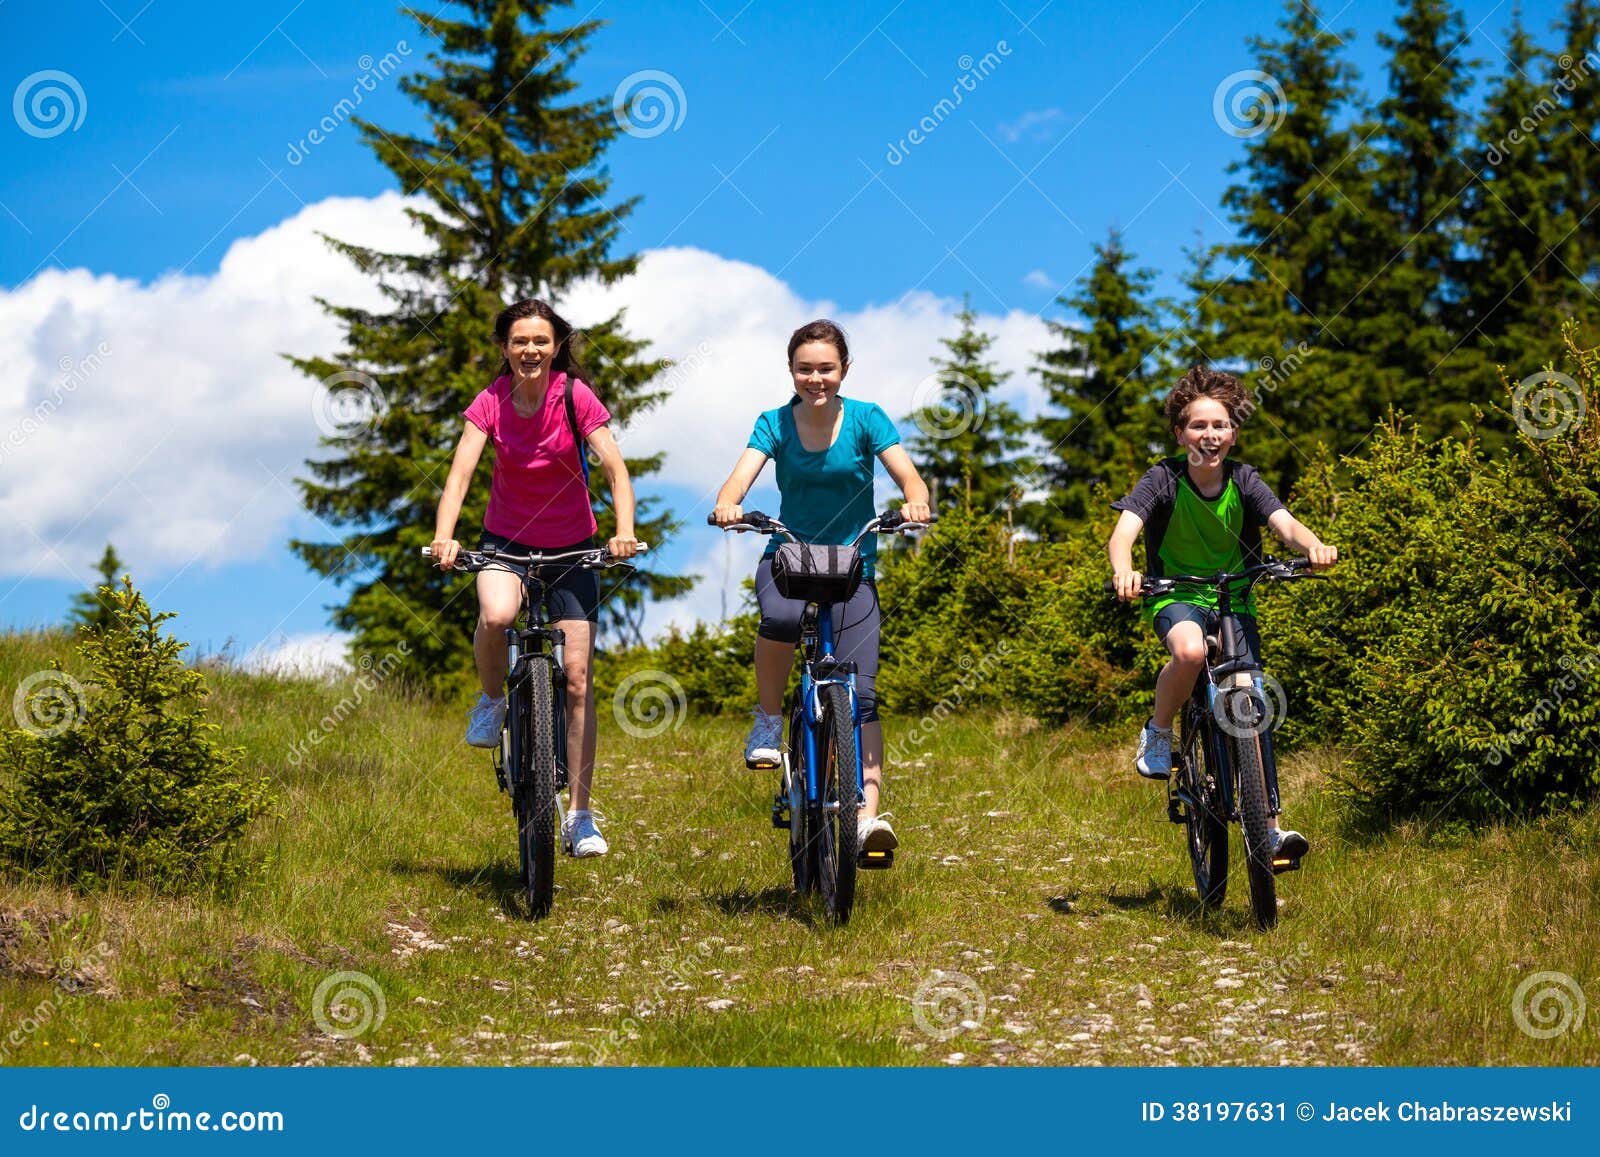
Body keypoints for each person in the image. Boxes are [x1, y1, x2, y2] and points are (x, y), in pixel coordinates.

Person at [711, 319, 932, 857]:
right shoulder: (773, 423)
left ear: (844, 370)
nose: (816, 379)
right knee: (783, 620)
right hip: (789, 557)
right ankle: (767, 723)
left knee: (866, 698)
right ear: (791, 371)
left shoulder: (866, 419)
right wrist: (730, 503)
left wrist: (915, 500)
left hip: (852, 565)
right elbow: (737, 480)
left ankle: (864, 820)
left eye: (826, 368)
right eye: (805, 369)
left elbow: (909, 477)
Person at [430, 299, 641, 858]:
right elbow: (460, 475)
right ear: (505, 347)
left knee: (576, 678)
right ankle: (493, 698)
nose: (530, 351)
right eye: (520, 341)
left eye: (541, 342)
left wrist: (622, 532)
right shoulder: (491, 401)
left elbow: (615, 470)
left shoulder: (574, 395)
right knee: (497, 616)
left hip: (573, 545)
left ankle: (580, 816)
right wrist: (446, 537)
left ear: (556, 346)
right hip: (506, 540)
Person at [1106, 364, 1336, 864]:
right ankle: (1160, 732)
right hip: (1177, 595)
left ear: (1233, 433)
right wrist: (1124, 571)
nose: (1209, 435)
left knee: (1250, 704)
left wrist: (1314, 545)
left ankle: (1270, 830)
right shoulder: (1162, 478)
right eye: (1198, 426)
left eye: (1219, 426)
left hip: (1234, 600)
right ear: (1179, 433)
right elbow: (1124, 532)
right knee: (1188, 652)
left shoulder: (1244, 480)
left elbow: (1284, 524)